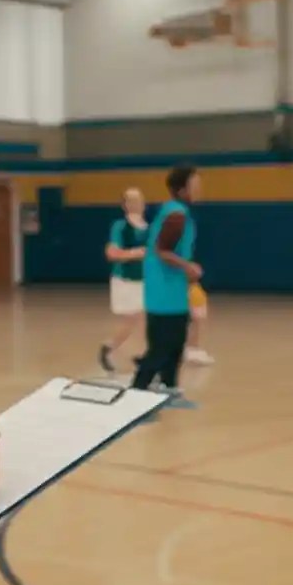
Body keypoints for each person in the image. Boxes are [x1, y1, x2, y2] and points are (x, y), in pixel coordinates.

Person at [132, 163, 202, 409]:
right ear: (182, 189)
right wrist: (188, 266)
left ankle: (169, 392)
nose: (199, 188)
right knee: (161, 348)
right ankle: (135, 396)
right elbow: (162, 250)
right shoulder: (176, 215)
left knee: (175, 346)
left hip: (172, 292)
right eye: (195, 184)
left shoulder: (175, 211)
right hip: (164, 293)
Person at [100, 187, 148, 373]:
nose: (137, 203)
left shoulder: (148, 227)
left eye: (139, 199)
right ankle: (109, 348)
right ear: (125, 205)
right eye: (132, 200)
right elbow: (112, 253)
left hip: (145, 281)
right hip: (126, 280)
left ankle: (143, 356)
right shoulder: (120, 226)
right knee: (132, 320)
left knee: (147, 318)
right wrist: (135, 253)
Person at [185, 281, 215, 365]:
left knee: (194, 323)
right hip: (190, 290)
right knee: (197, 322)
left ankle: (191, 349)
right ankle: (193, 350)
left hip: (189, 289)